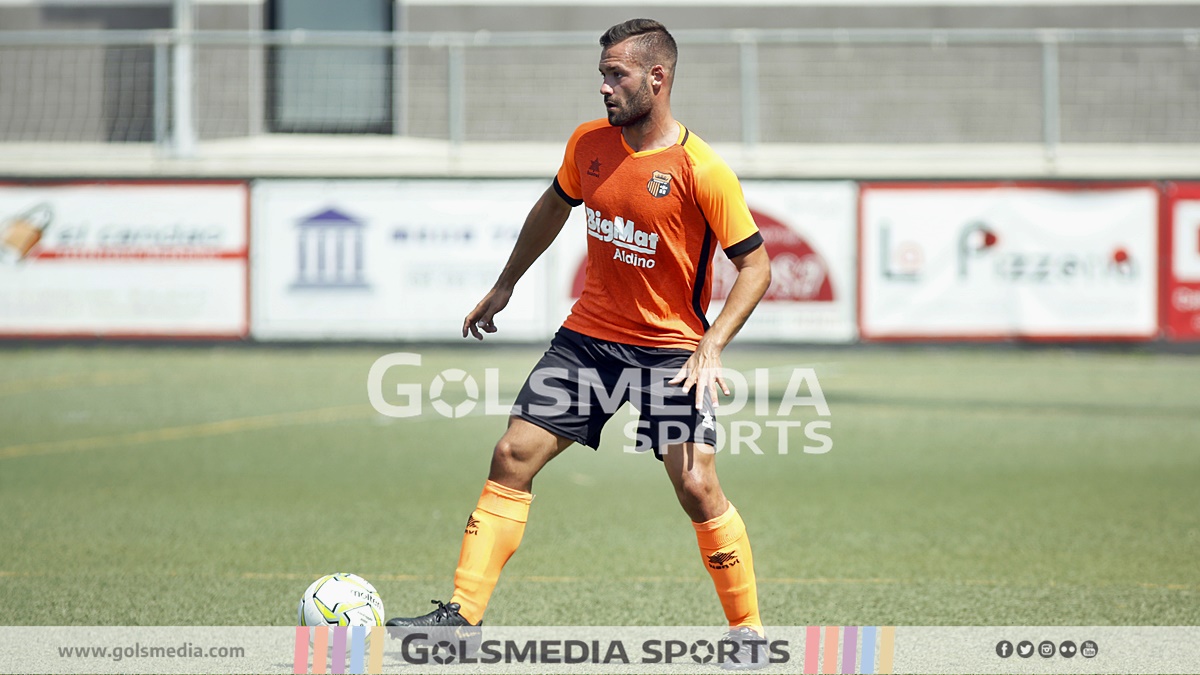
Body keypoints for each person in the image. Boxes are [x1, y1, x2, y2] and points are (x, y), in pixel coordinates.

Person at [387, 18, 773, 668]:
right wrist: (505, 283)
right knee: (512, 453)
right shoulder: (588, 145)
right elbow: (552, 205)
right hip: (589, 340)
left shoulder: (701, 169)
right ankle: (461, 618)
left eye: (616, 75)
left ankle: (750, 636)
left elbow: (757, 267)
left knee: (698, 485)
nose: (603, 88)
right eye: (602, 74)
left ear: (658, 77)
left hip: (671, 351)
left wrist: (711, 345)